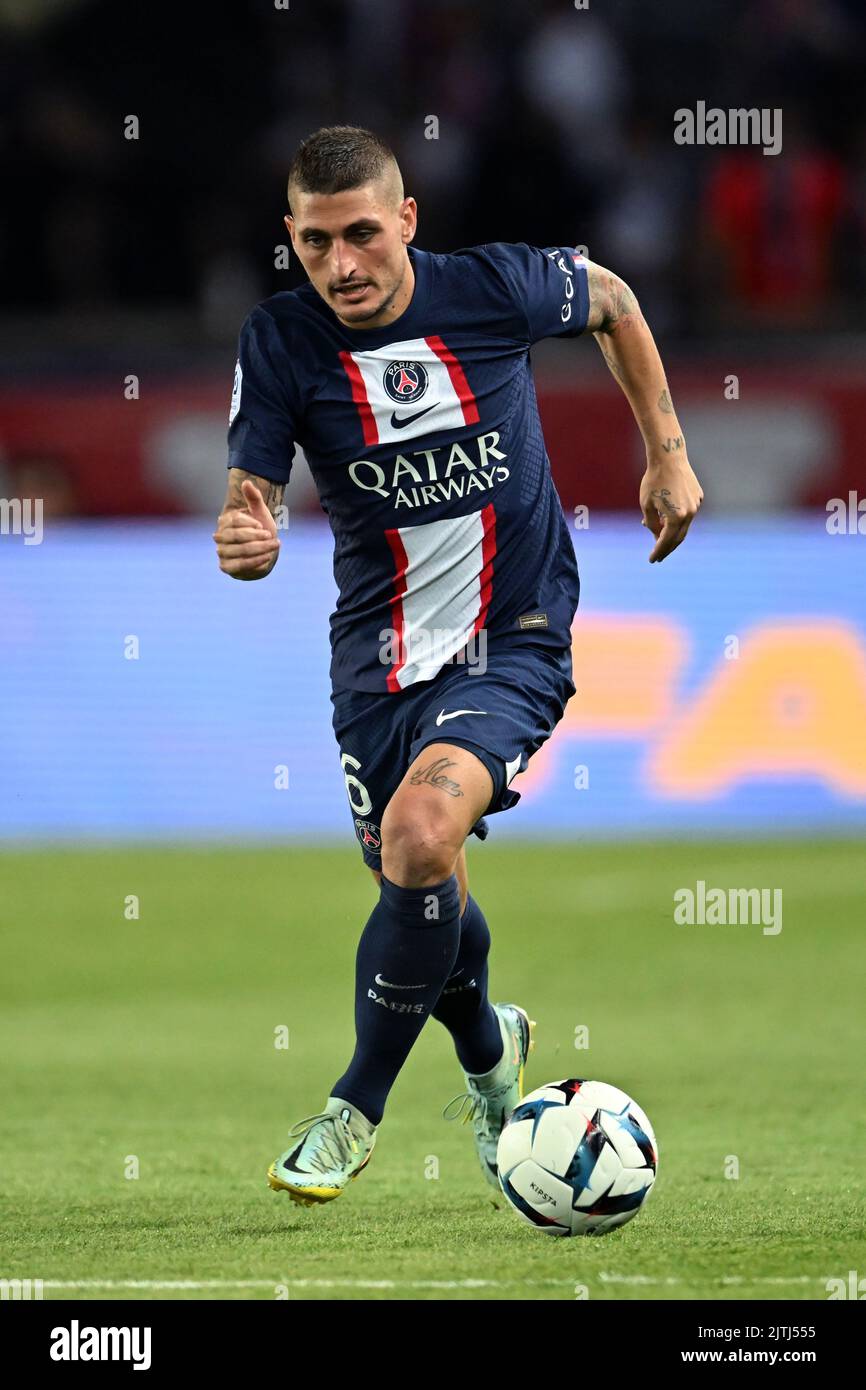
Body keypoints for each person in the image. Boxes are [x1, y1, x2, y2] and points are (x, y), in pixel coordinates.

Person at [213, 125, 702, 1206]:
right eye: (313, 242)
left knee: (420, 834)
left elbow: (615, 300)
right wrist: (245, 535)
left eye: (360, 236)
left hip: (512, 635)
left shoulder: (494, 288)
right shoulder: (281, 340)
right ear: (289, 241)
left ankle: (351, 1110)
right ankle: (491, 1055)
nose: (339, 264)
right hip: (375, 668)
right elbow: (249, 498)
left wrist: (664, 448)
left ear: (406, 224)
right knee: (419, 884)